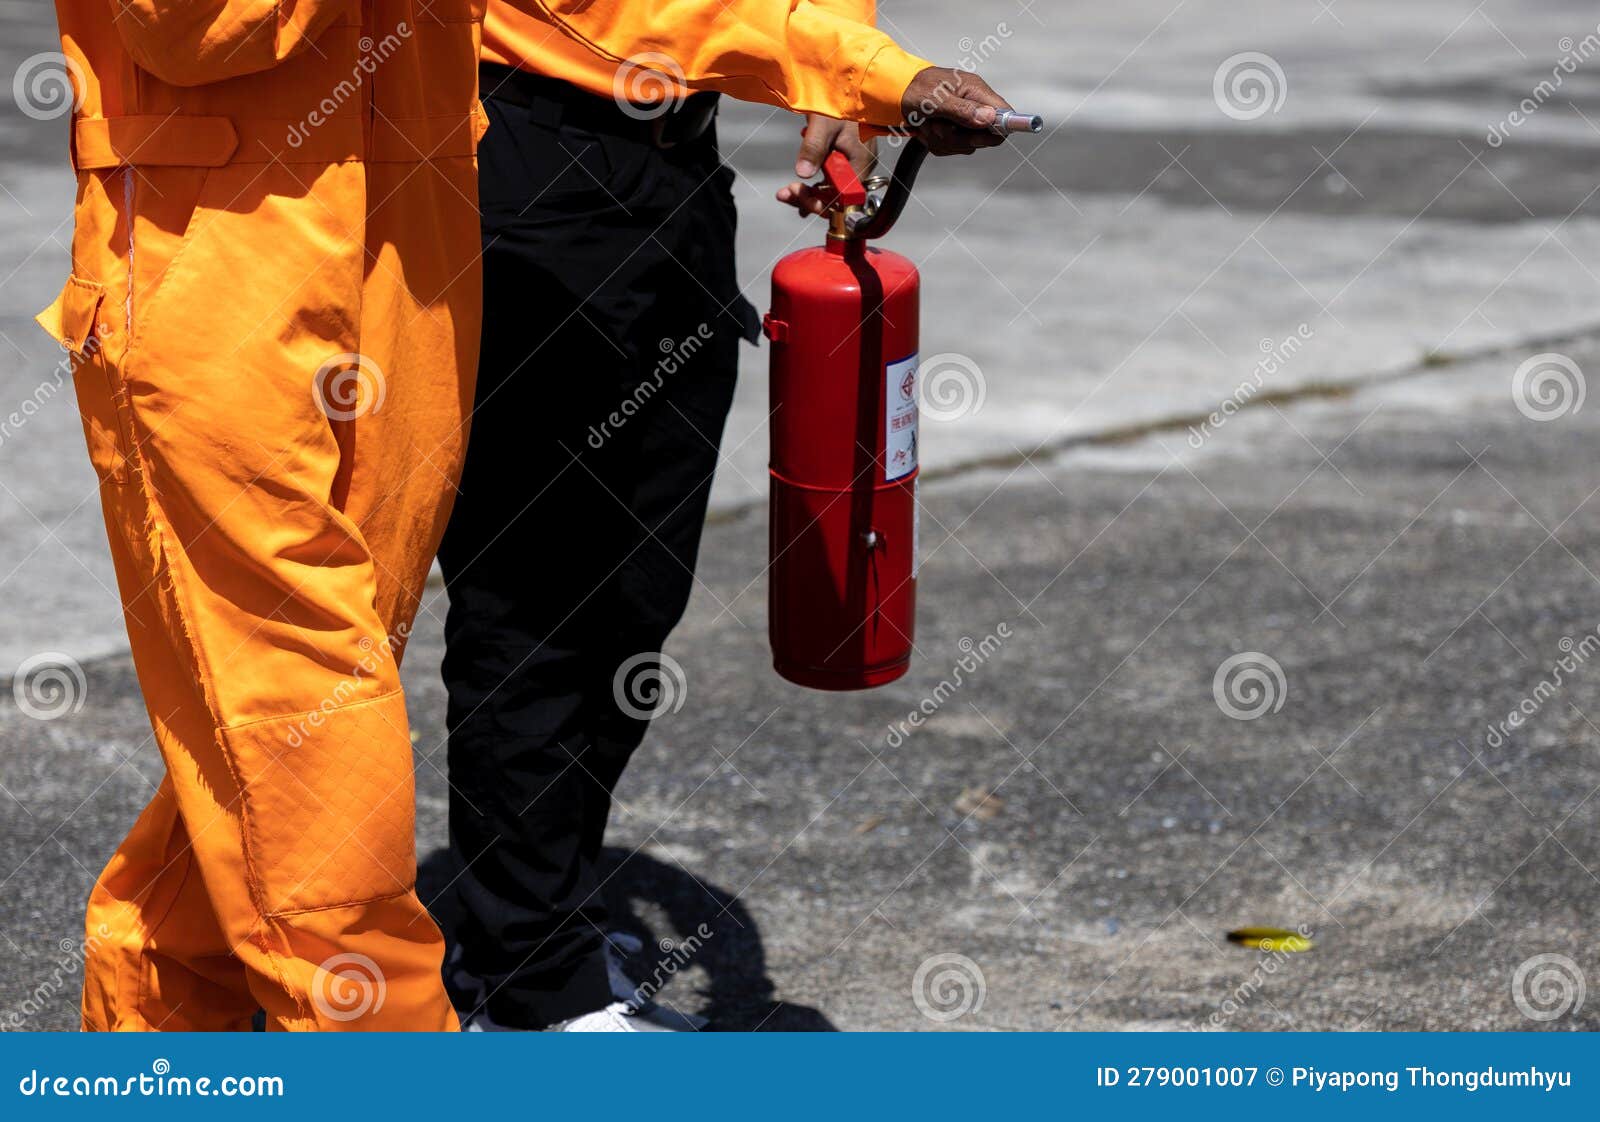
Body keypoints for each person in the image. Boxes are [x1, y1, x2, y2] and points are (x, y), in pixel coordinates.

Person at [45, 0, 1008, 1031]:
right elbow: (187, 29)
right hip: (223, 285)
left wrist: (848, 61)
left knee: (293, 724)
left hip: (409, 263)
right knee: (304, 711)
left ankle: (165, 1036)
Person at [440, 4, 1009, 1031]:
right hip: (531, 172)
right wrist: (857, 69)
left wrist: (845, 71)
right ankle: (528, 987)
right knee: (536, 599)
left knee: (633, 598)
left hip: (674, 175)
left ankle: (539, 917)